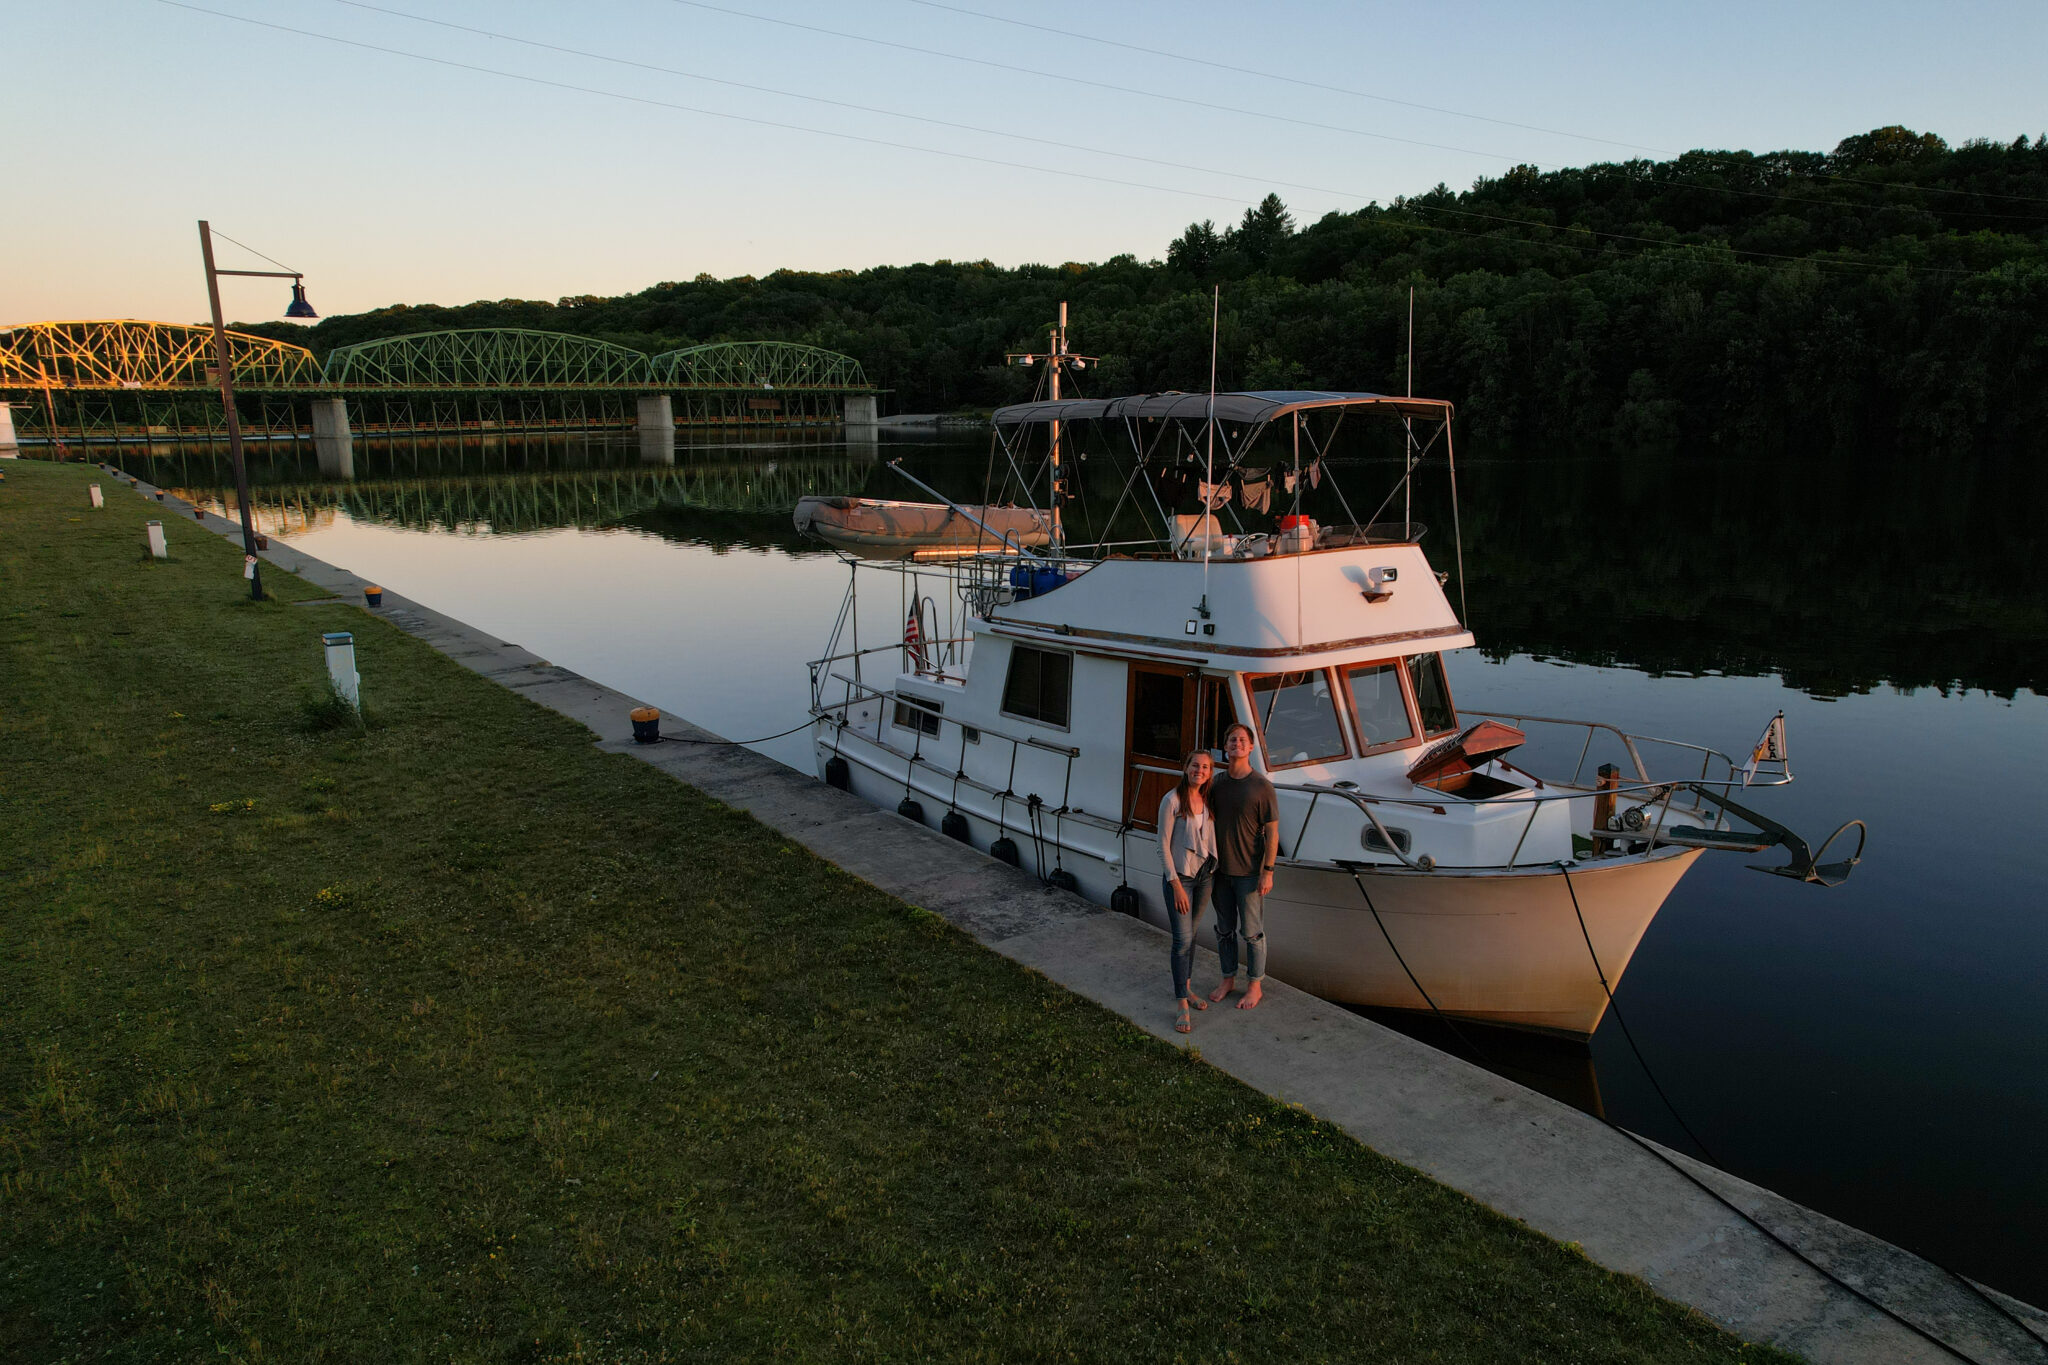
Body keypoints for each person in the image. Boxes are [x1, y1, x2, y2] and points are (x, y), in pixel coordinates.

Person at [1207, 722, 1278, 1010]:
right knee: (1224, 930)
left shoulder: (1261, 786)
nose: (1237, 743)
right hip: (1219, 872)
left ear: (1250, 748)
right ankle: (1227, 979)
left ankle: (1255, 985)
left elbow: (1272, 832)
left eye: (1242, 740)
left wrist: (1268, 871)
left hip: (1249, 873)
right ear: (1225, 748)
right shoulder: (1216, 784)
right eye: (1231, 739)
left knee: (1252, 933)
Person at [1158, 749, 1217, 1034]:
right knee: (1181, 940)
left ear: (1210, 772)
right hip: (1181, 878)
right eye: (1195, 765)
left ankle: (1188, 988)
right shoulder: (1172, 800)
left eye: (1205, 767)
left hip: (1205, 877)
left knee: (1192, 937)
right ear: (1186, 767)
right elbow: (1163, 845)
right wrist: (1176, 885)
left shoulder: (1207, 799)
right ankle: (1181, 1002)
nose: (1200, 770)